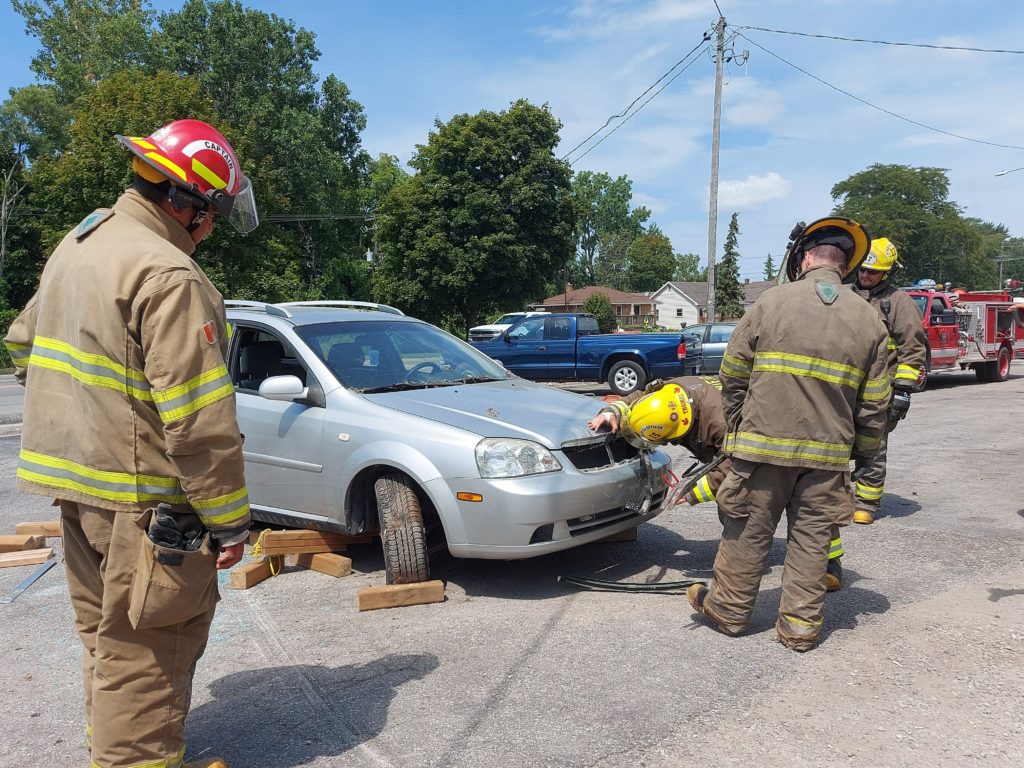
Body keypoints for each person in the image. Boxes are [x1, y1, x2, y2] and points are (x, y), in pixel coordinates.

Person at [4, 119, 259, 768]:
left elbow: (24, 346)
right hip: (144, 514)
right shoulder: (170, 275)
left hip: (79, 497)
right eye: (210, 216)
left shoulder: (82, 241)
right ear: (186, 203)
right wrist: (230, 525)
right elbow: (199, 421)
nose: (208, 231)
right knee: (147, 666)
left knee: (105, 647)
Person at [686, 217, 891, 652]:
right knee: (813, 541)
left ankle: (727, 611)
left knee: (747, 532)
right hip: (827, 459)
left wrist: (741, 425)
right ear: (845, 266)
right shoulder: (870, 320)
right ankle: (800, 627)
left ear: (804, 257)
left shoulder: (770, 303)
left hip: (761, 451)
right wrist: (867, 462)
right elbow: (874, 407)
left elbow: (732, 374)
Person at [849, 238, 928, 525]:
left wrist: (903, 391)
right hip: (843, 388)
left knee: (873, 447)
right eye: (863, 270)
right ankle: (835, 498)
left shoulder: (898, 303)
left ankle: (866, 504)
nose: (865, 276)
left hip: (880, 392)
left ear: (887, 273)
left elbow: (913, 349)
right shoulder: (845, 297)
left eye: (873, 272)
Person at [588, 376, 730, 506]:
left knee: (733, 503)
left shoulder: (722, 425)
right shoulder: (669, 392)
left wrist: (692, 492)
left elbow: (734, 468)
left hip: (747, 462)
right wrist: (612, 413)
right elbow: (641, 397)